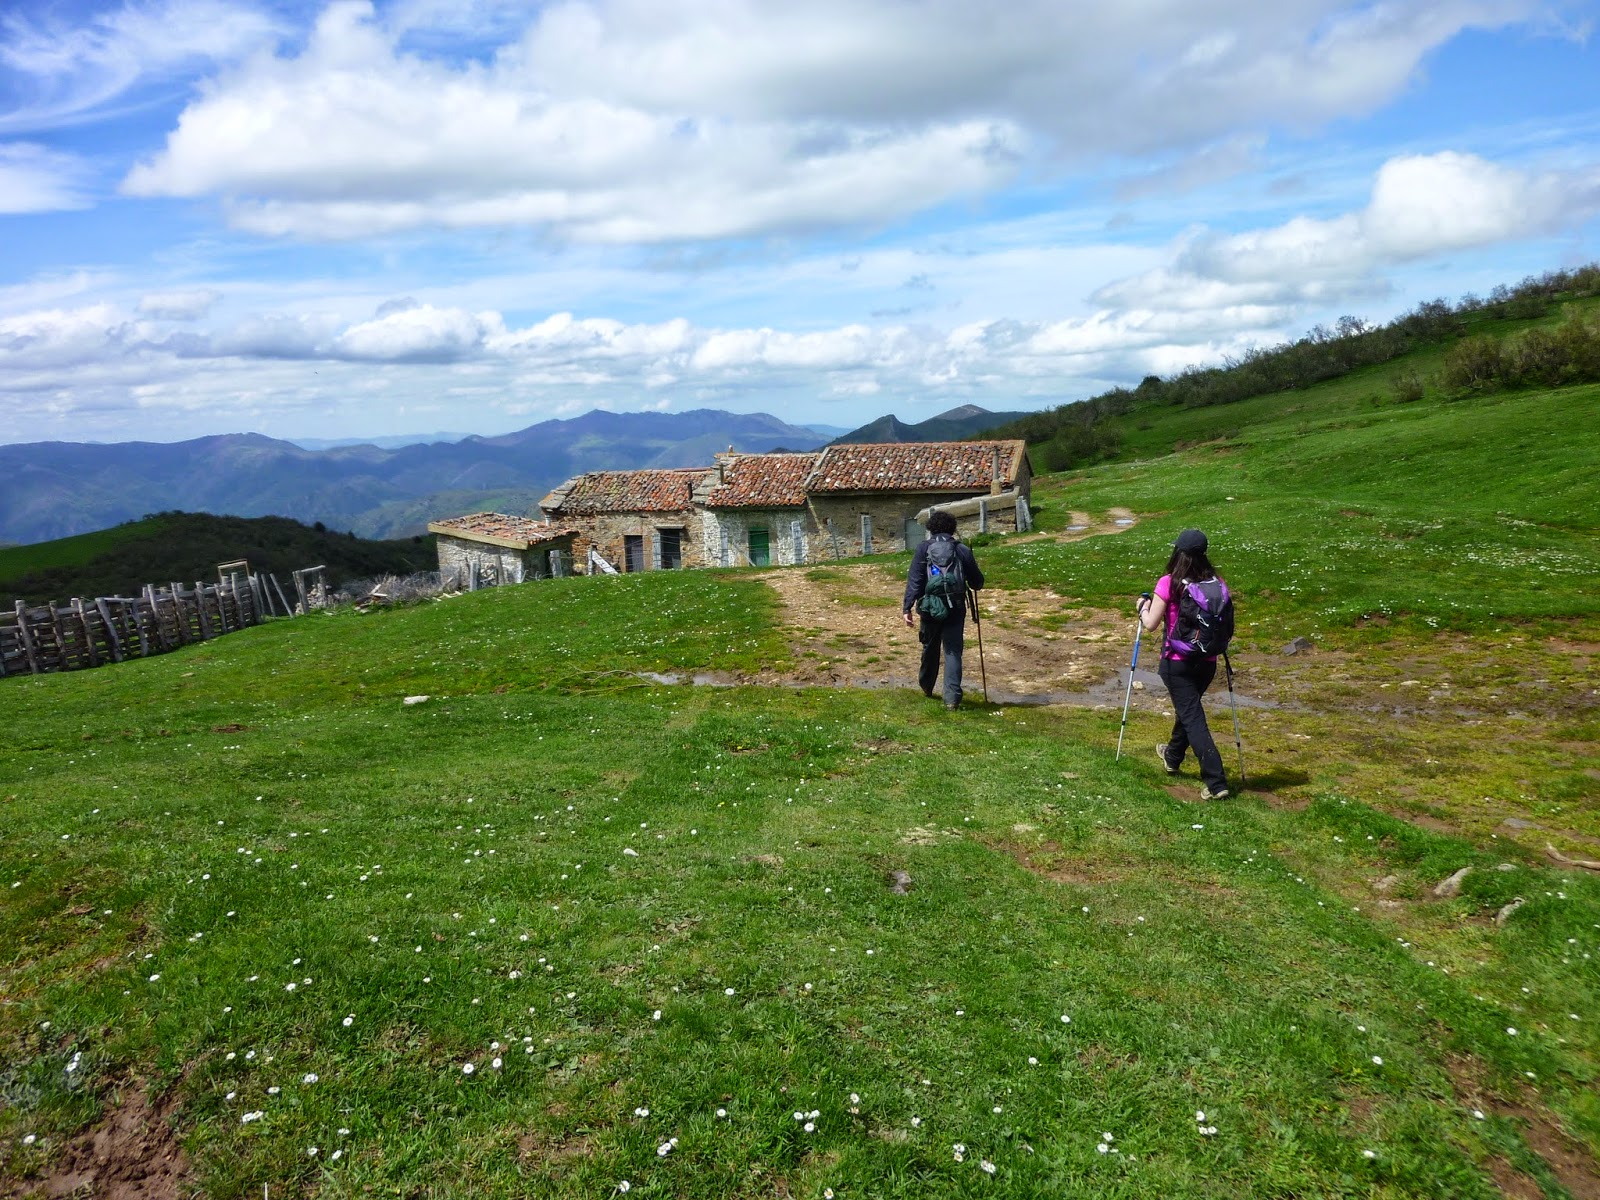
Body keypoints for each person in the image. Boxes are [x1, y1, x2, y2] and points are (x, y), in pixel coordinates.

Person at [1137, 528, 1230, 799]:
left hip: (1176, 661)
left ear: (1178, 552)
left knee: (1192, 717)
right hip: (1207, 660)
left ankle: (1216, 782)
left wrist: (1142, 607)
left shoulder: (1169, 582)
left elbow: (1152, 624)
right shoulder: (1216, 583)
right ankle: (1173, 756)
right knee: (1189, 711)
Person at [902, 510, 984, 710]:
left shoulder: (923, 549)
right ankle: (952, 700)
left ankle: (926, 686)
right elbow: (977, 583)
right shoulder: (962, 549)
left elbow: (915, 579)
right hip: (955, 606)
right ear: (952, 528)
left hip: (930, 607)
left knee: (930, 647)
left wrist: (907, 607)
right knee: (953, 651)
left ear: (930, 528)